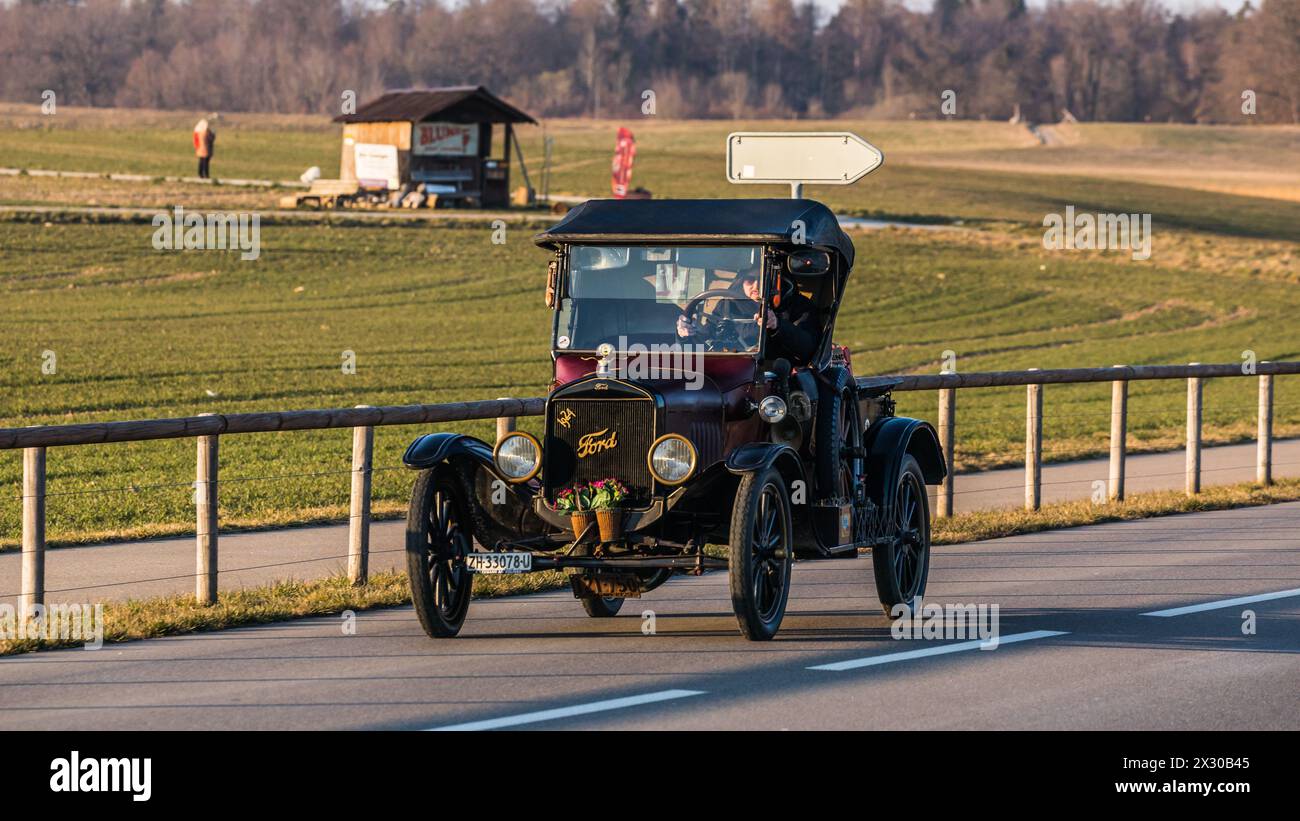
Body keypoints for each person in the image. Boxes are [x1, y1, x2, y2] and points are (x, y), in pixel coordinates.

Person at [676, 269, 819, 363]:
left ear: (775, 280)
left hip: (774, 374)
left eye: (762, 278)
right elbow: (707, 341)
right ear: (741, 280)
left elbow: (808, 349)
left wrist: (777, 325)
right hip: (731, 371)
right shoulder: (727, 305)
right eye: (750, 279)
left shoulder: (797, 305)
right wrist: (685, 334)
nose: (756, 286)